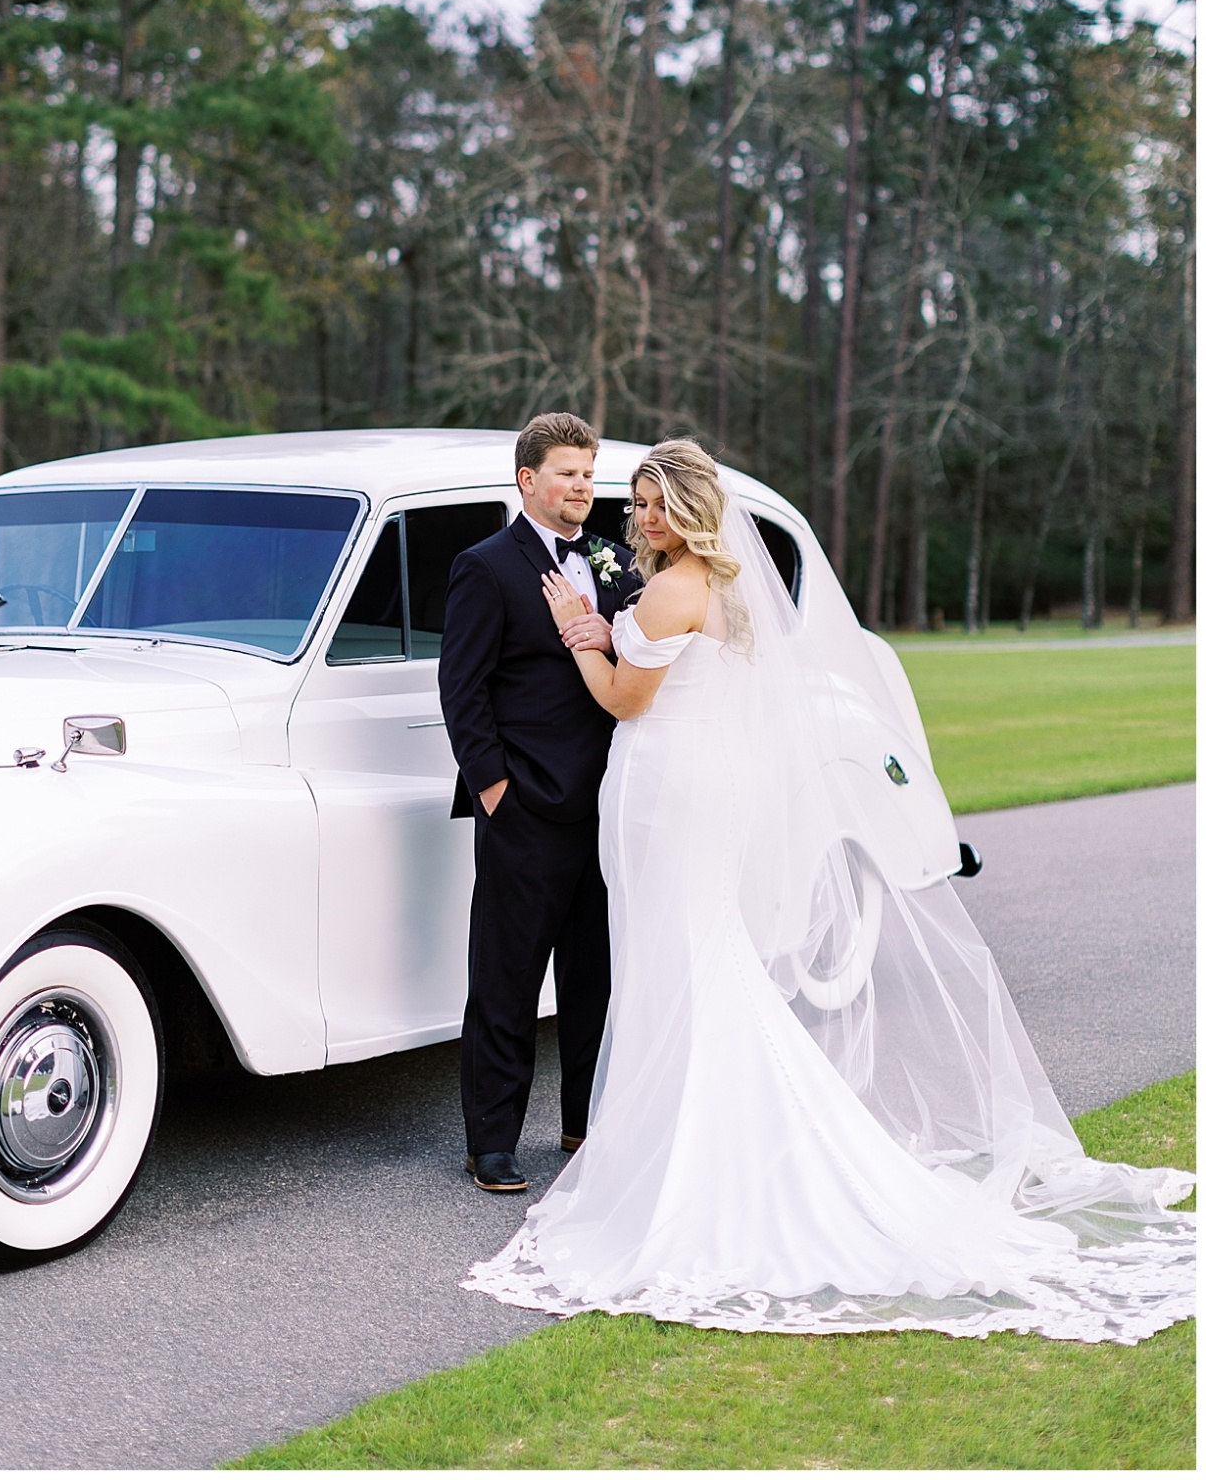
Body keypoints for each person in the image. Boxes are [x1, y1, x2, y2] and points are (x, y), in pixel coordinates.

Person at [464, 439, 1195, 1342]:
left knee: (676, 962)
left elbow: (624, 699)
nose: (639, 518)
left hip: (671, 790)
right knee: (697, 959)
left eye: (655, 505)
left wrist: (583, 633)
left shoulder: (668, 588)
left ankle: (687, 1158)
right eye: (638, 504)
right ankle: (704, 1138)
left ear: (691, 509)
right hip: (711, 786)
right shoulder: (727, 587)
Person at [439, 413, 642, 1195]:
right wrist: (495, 789)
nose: (582, 487)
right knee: (507, 980)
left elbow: (648, 659)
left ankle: (583, 1123)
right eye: (567, 473)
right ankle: (489, 1143)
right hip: (523, 810)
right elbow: (462, 689)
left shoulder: (619, 563)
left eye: (589, 474)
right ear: (528, 480)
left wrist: (609, 634)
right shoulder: (485, 567)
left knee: (595, 979)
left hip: (607, 808)